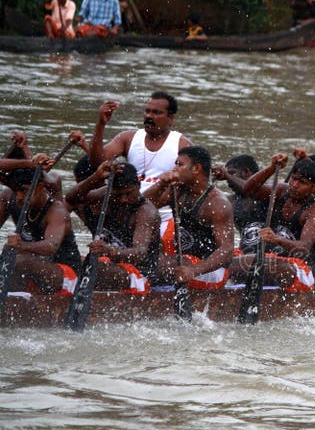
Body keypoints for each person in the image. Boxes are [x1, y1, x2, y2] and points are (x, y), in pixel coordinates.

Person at [88, 93, 193, 251]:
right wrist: (100, 125)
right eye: (147, 111)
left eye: (156, 113)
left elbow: (184, 190)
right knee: (82, 200)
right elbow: (97, 162)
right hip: (126, 214)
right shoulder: (128, 138)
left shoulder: (182, 145)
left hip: (162, 218)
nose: (149, 116)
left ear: (170, 118)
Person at [230, 154, 315, 293]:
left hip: (297, 268)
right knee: (225, 259)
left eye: (302, 182)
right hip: (264, 259)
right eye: (293, 178)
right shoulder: (281, 190)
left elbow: (304, 248)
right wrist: (272, 168)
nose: (294, 185)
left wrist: (276, 239)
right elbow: (248, 190)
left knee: (269, 264)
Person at [144, 146, 234, 290]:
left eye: (180, 165)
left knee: (156, 263)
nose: (174, 169)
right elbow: (142, 207)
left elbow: (227, 251)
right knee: (145, 253)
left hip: (209, 271)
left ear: (196, 168)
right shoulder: (178, 190)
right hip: (182, 261)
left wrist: (193, 271)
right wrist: (161, 183)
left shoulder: (217, 203)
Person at [65, 161, 160, 294]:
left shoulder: (146, 212)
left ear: (138, 186)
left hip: (139, 275)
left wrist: (110, 251)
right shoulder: (108, 193)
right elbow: (71, 199)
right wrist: (96, 177)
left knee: (91, 267)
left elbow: (140, 253)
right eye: (118, 195)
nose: (123, 199)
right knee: (68, 260)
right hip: (107, 265)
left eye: (128, 193)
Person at [0, 165, 80, 295]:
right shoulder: (19, 202)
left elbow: (51, 246)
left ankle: (12, 300)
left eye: (23, 190)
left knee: (20, 262)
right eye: (16, 191)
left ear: (40, 187)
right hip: (40, 267)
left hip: (67, 273)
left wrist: (21, 245)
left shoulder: (57, 211)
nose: (19, 197)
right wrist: (28, 162)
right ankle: (14, 296)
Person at [211, 154, 268, 255]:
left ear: (246, 172)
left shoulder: (268, 194)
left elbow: (250, 189)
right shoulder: (230, 201)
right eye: (227, 175)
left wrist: (226, 175)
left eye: (232, 173)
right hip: (244, 253)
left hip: (271, 254)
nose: (227, 181)